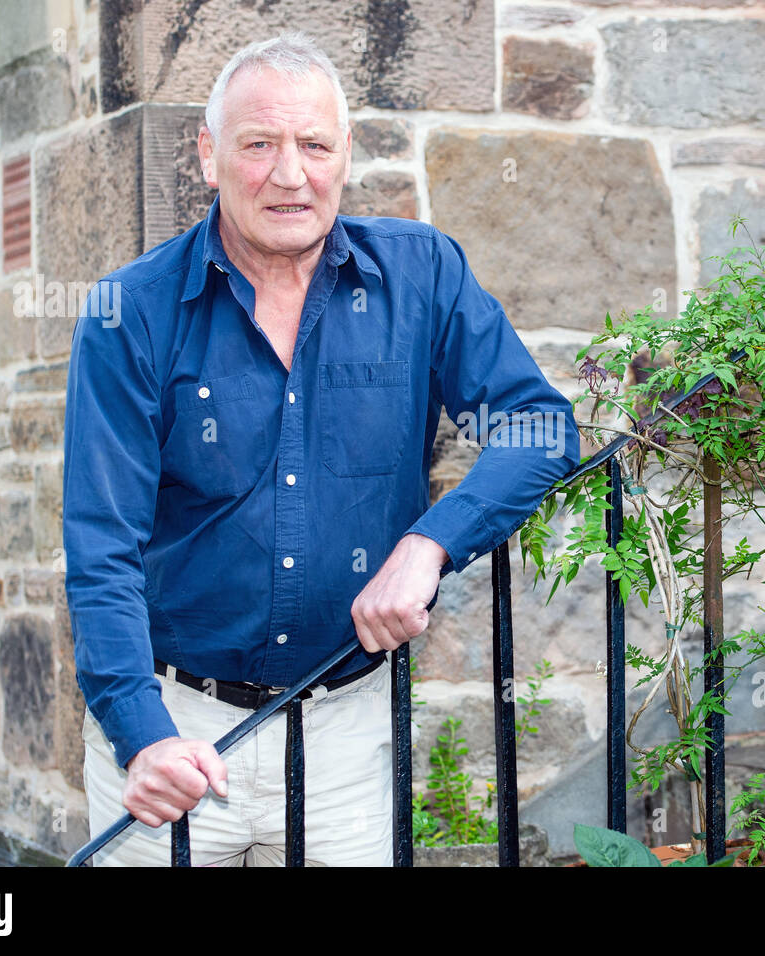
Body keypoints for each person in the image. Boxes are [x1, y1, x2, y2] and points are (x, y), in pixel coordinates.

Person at [62, 31, 580, 866]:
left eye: (313, 145)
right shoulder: (133, 311)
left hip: (344, 737)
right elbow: (101, 549)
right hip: (177, 730)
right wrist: (140, 733)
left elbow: (538, 425)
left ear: (346, 154)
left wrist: (429, 545)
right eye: (259, 145)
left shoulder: (422, 277)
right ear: (209, 155)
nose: (289, 174)